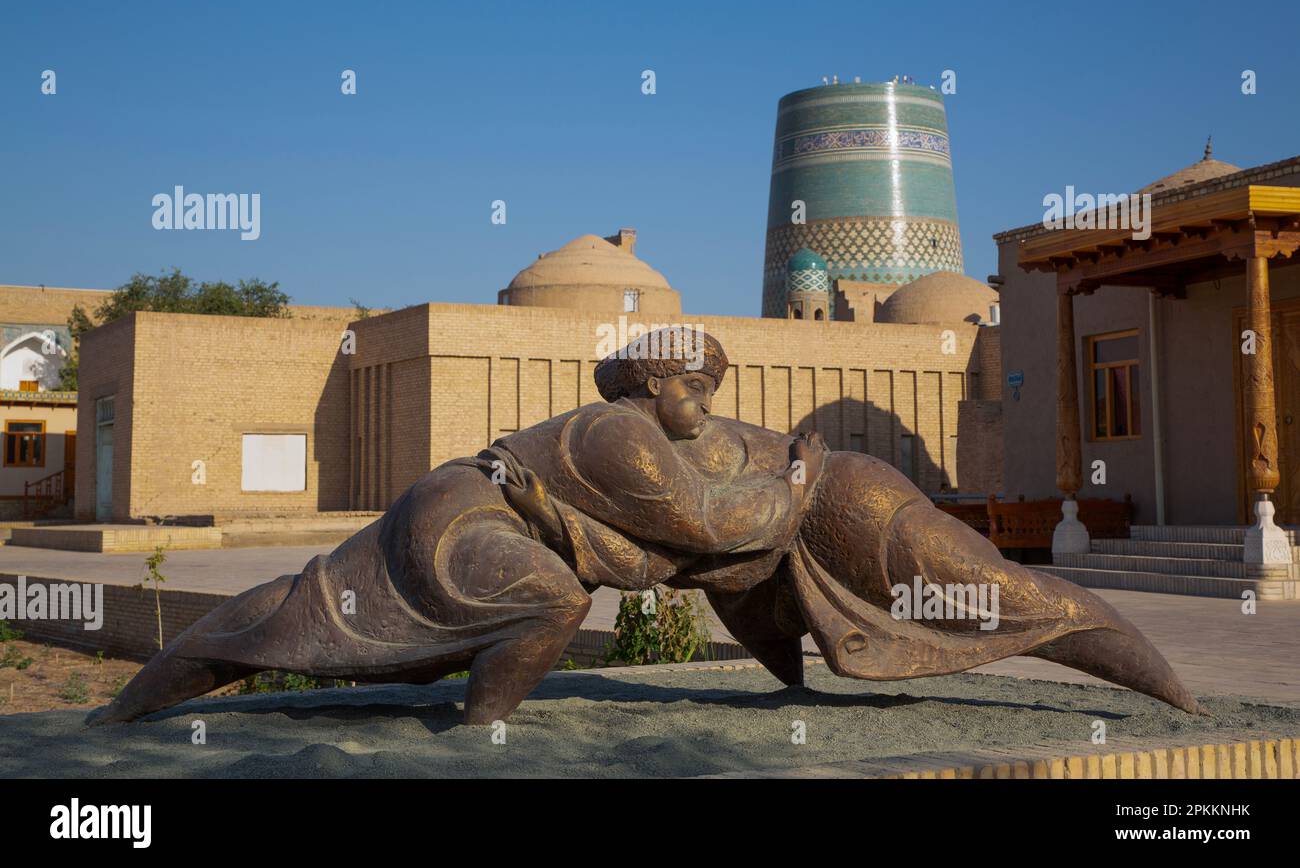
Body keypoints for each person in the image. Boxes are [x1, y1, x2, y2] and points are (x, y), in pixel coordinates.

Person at [91, 330, 1198, 727]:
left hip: (487, 507)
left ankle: (155, 692)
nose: (705, 400)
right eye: (692, 382)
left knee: (306, 607)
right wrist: (804, 469)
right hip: (472, 518)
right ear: (648, 378)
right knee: (342, 610)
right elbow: (713, 514)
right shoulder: (617, 430)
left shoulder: (668, 427)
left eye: (712, 382)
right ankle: (480, 730)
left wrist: (818, 486)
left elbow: (735, 502)